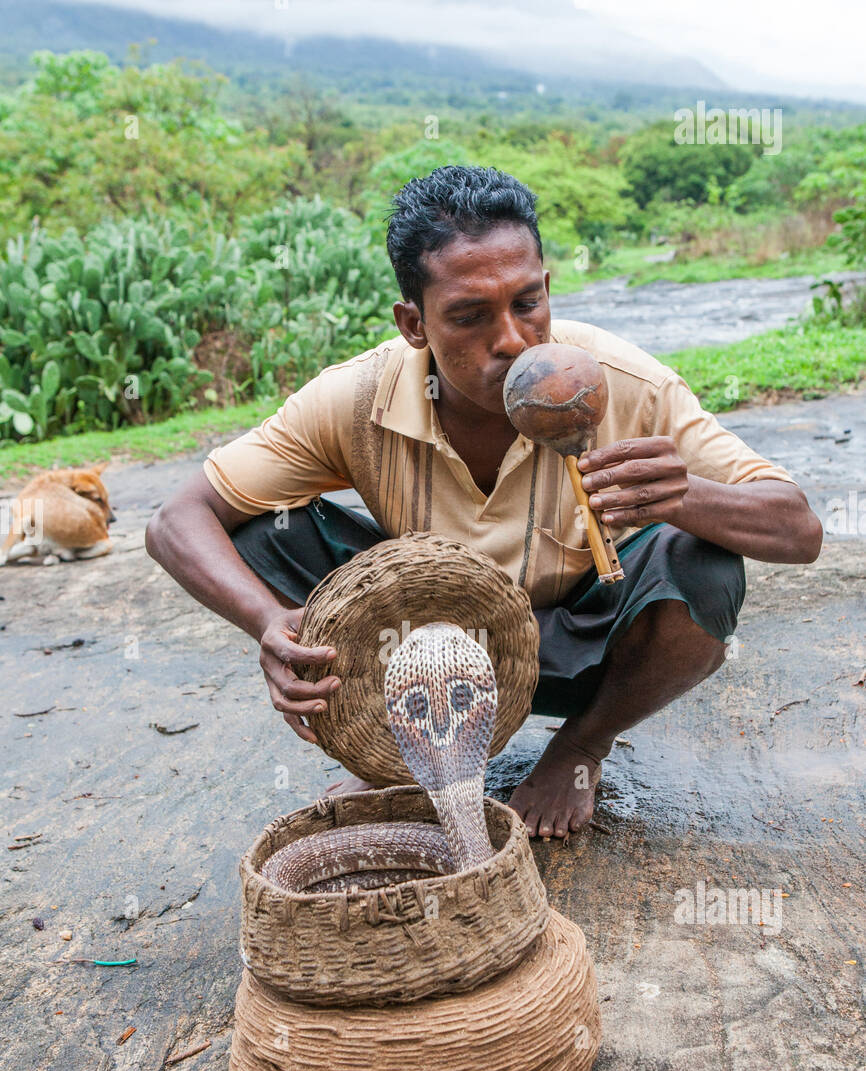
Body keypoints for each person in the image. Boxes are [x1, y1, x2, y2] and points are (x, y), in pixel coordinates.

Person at [146, 165, 822, 839]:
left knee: (704, 564)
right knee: (263, 530)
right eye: (469, 316)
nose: (510, 341)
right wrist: (268, 622)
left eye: (527, 303)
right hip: (420, 640)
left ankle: (580, 747)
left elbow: (799, 531)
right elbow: (177, 520)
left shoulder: (624, 382)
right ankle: (391, 751)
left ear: (548, 288)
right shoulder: (355, 399)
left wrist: (684, 496)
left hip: (576, 649)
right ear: (414, 323)